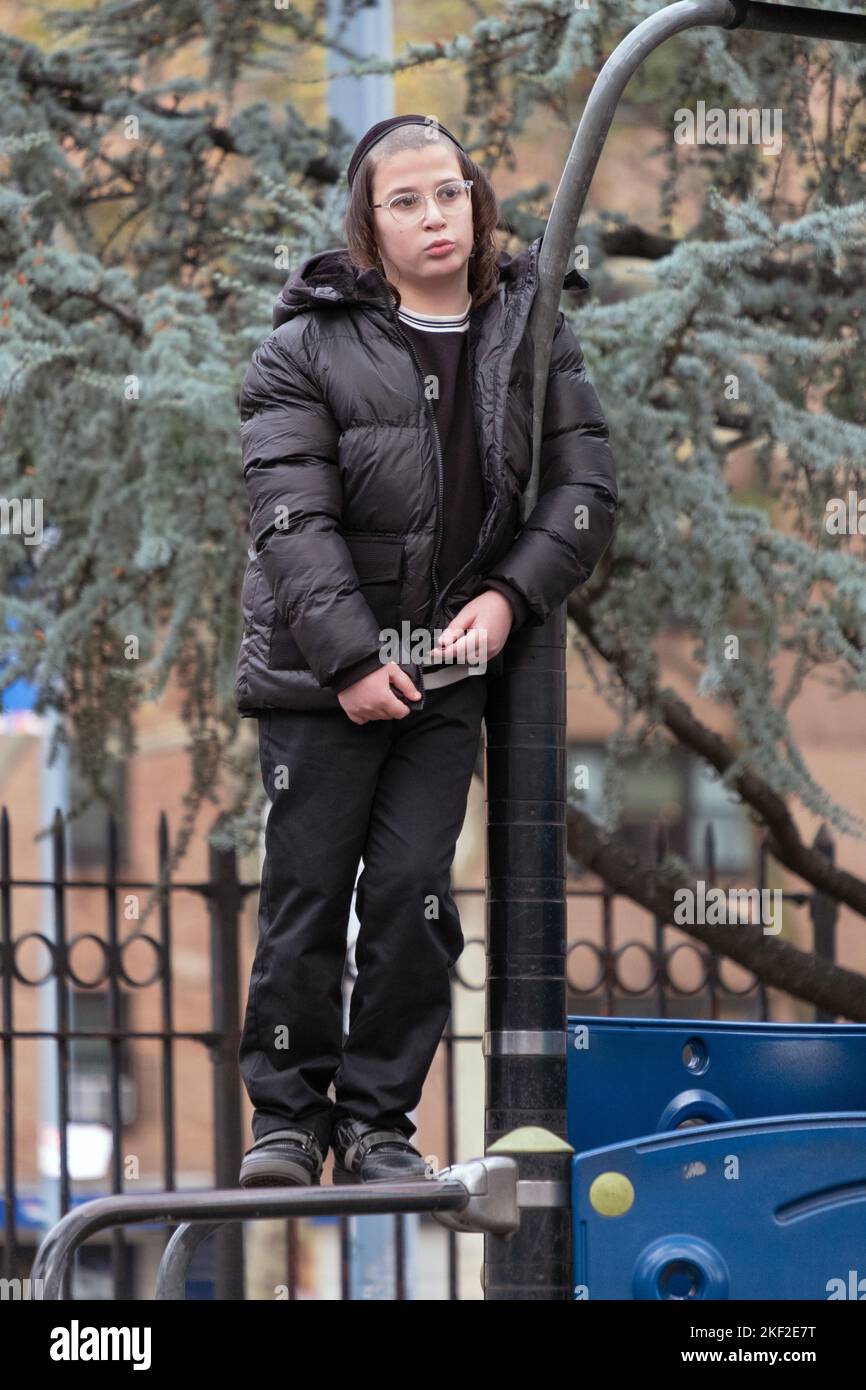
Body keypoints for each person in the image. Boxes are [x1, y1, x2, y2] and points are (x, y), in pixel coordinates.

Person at [235, 114, 618, 1187]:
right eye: (405, 202)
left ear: (473, 197)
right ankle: (284, 1124)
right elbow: (290, 523)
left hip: (448, 672)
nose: (433, 215)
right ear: (368, 224)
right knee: (307, 895)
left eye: (446, 192)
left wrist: (507, 598)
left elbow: (583, 490)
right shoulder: (300, 350)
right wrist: (351, 660)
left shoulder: (528, 327)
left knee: (414, 896)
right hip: (320, 680)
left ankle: (374, 1127)